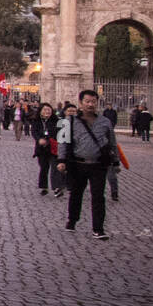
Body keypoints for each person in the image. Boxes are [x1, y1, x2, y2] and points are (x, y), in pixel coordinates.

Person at [56, 89, 116, 240]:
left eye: (93, 102)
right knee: (76, 194)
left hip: (98, 165)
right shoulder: (68, 121)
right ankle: (72, 220)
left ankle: (98, 228)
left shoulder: (105, 122)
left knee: (98, 197)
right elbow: (62, 142)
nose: (90, 104)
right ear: (81, 103)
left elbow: (112, 143)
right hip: (77, 164)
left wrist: (116, 162)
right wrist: (61, 160)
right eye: (87, 102)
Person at [28, 102, 59, 195]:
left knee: (55, 168)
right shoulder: (36, 121)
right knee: (44, 168)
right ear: (40, 111)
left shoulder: (55, 121)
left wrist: (50, 139)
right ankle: (44, 186)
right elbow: (34, 132)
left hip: (53, 147)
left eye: (49, 110)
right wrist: (39, 139)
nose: (47, 111)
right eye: (45, 110)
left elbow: (58, 132)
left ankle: (56, 187)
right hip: (41, 148)